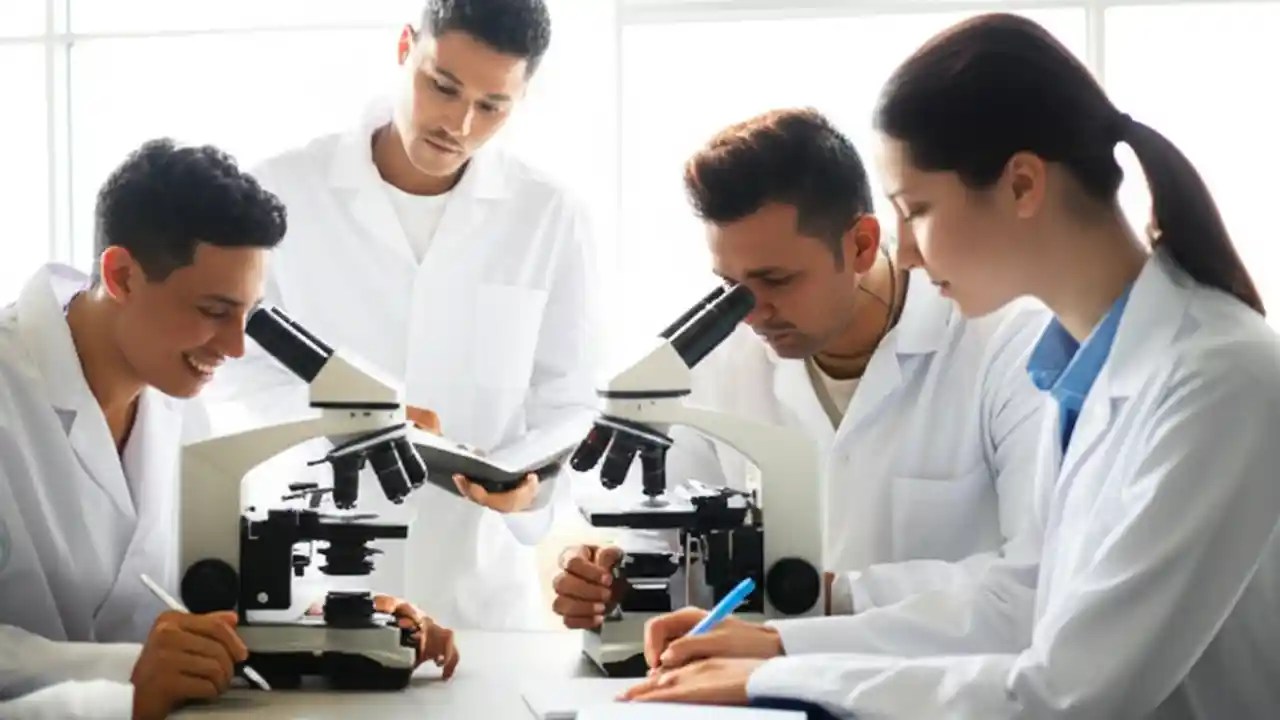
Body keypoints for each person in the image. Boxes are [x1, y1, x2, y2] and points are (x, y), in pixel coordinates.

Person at [622, 13, 1280, 719]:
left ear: (1023, 185)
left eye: (918, 210)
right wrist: (778, 646)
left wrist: (775, 678)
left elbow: (1070, 693)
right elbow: (1027, 606)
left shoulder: (1217, 378)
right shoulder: (1080, 372)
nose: (902, 252)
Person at [551, 108, 1049, 640]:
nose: (750, 312)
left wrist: (828, 595)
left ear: (859, 244)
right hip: (760, 687)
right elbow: (666, 542)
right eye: (730, 286)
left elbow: (1034, 582)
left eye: (777, 280)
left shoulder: (1004, 344)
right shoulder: (722, 359)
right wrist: (611, 576)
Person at [0, 140, 453, 720]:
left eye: (248, 315)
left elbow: (200, 587)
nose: (236, 348)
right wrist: (123, 675)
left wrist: (340, 624)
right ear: (122, 275)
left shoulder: (176, 400)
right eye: (214, 312)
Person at [208, 0, 599, 631]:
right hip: (315, 582)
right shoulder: (282, 193)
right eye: (441, 86)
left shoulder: (550, 215)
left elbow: (570, 397)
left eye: (492, 106)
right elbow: (234, 373)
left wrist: (530, 480)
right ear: (403, 49)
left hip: (480, 599)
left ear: (524, 96)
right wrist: (355, 424)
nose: (459, 123)